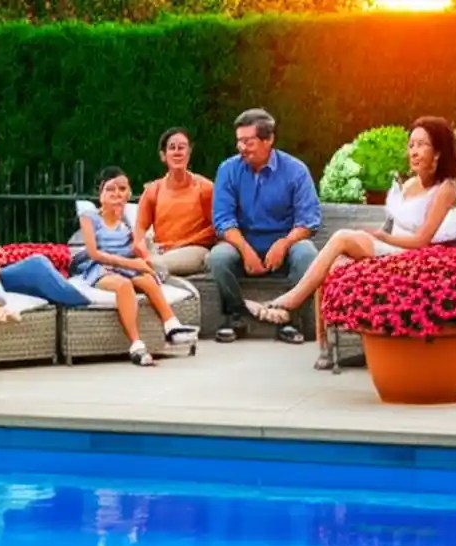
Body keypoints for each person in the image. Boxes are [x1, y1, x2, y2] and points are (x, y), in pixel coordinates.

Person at [246, 116, 456, 330]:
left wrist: (381, 237)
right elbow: (395, 225)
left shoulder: (445, 189)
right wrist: (380, 236)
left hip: (413, 255)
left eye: (422, 145)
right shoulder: (410, 184)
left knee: (343, 237)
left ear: (438, 152)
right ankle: (323, 344)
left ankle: (288, 302)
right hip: (393, 250)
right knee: (335, 263)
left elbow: (422, 240)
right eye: (411, 145)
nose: (413, 152)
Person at [209, 108, 322, 344]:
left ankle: (289, 319)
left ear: (268, 139)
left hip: (285, 243)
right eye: (239, 141)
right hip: (242, 242)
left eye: (248, 142)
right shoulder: (228, 169)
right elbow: (222, 219)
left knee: (307, 254)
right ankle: (236, 315)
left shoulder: (295, 170)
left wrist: (285, 243)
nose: (241, 148)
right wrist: (245, 250)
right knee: (218, 258)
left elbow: (309, 220)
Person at [71, 166, 199, 366]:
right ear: (101, 193)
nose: (117, 194)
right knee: (123, 285)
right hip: (101, 267)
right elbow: (94, 253)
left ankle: (171, 326)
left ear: (129, 193)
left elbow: (137, 249)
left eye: (122, 189)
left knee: (147, 280)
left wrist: (145, 260)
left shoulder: (130, 219)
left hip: (127, 267)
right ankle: (136, 344)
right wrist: (131, 263)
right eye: (111, 189)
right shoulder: (90, 217)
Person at [133, 127, 216, 276]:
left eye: (182, 147)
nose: (177, 152)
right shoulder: (153, 190)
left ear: (189, 154)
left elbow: (218, 227)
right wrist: (144, 251)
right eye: (172, 148)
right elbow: (139, 230)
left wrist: (182, 244)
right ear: (163, 155)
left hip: (194, 250)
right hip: (160, 250)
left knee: (152, 266)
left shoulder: (205, 188)